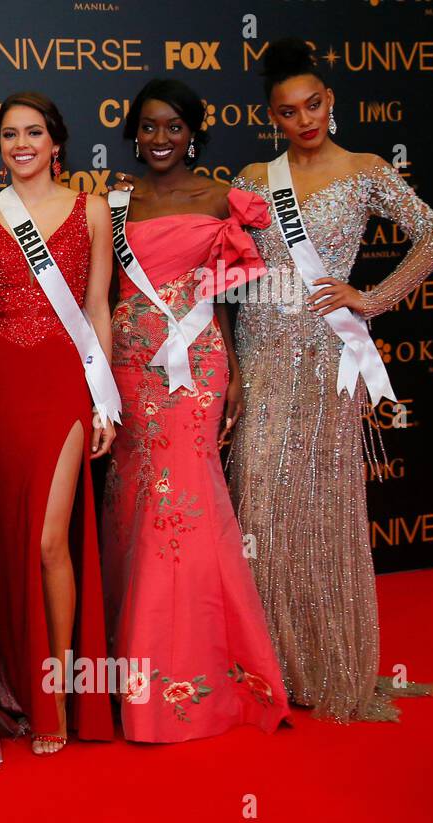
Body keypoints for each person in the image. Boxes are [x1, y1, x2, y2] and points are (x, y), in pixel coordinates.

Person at [227, 38, 433, 722]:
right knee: (259, 499)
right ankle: (270, 666)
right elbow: (233, 282)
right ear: (272, 117)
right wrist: (231, 366)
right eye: (289, 111)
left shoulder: (366, 169)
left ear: (332, 101)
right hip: (261, 351)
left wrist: (371, 297)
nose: (305, 119)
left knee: (323, 502)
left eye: (314, 104)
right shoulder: (253, 180)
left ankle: (331, 659)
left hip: (328, 357)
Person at [102, 79, 289, 742]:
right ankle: (133, 669)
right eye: (148, 127)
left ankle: (196, 677)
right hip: (130, 365)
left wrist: (234, 366)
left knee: (185, 498)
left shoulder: (220, 198)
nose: (159, 139)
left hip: (199, 363)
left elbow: (224, 297)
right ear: (133, 133)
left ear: (193, 134)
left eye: (172, 127)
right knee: (136, 499)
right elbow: (99, 290)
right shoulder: (115, 202)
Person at [0, 91, 118, 755]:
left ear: (57, 142)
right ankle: (16, 690)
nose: (21, 143)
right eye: (9, 134)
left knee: (50, 540)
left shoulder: (93, 210)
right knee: (6, 543)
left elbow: (97, 308)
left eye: (33, 132)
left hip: (64, 384)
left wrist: (104, 398)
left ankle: (55, 694)